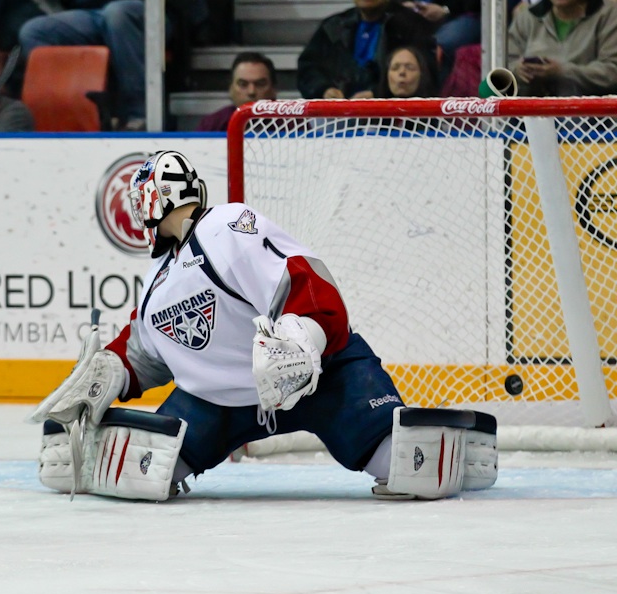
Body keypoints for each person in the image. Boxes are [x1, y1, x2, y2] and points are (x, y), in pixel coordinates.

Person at [29, 150, 499, 502]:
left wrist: (303, 338)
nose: (137, 211)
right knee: (142, 471)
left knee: (411, 465)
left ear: (156, 195)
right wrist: (110, 370)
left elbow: (302, 276)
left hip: (323, 378)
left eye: (140, 199)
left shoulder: (225, 224)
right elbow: (145, 352)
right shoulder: (157, 278)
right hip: (218, 403)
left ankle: (442, 449)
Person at [18, 0, 206, 131]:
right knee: (36, 31)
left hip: (152, 12)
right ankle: (70, 116)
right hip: (94, 12)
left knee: (117, 13)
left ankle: (141, 115)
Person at [297, 0, 437, 100]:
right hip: (339, 108)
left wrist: (377, 94)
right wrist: (324, 89)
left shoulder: (412, 25)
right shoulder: (333, 26)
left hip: (392, 108)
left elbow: (426, 74)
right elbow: (308, 67)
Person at [508, 0, 617, 96]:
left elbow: (612, 72)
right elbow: (504, 63)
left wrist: (561, 71)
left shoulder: (608, 14)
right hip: (534, 104)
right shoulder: (527, 17)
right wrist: (517, 70)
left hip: (589, 106)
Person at [196, 51, 276, 132]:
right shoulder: (211, 126)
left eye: (260, 84)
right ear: (230, 88)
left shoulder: (284, 124)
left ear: (273, 89)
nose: (251, 92)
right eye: (243, 84)